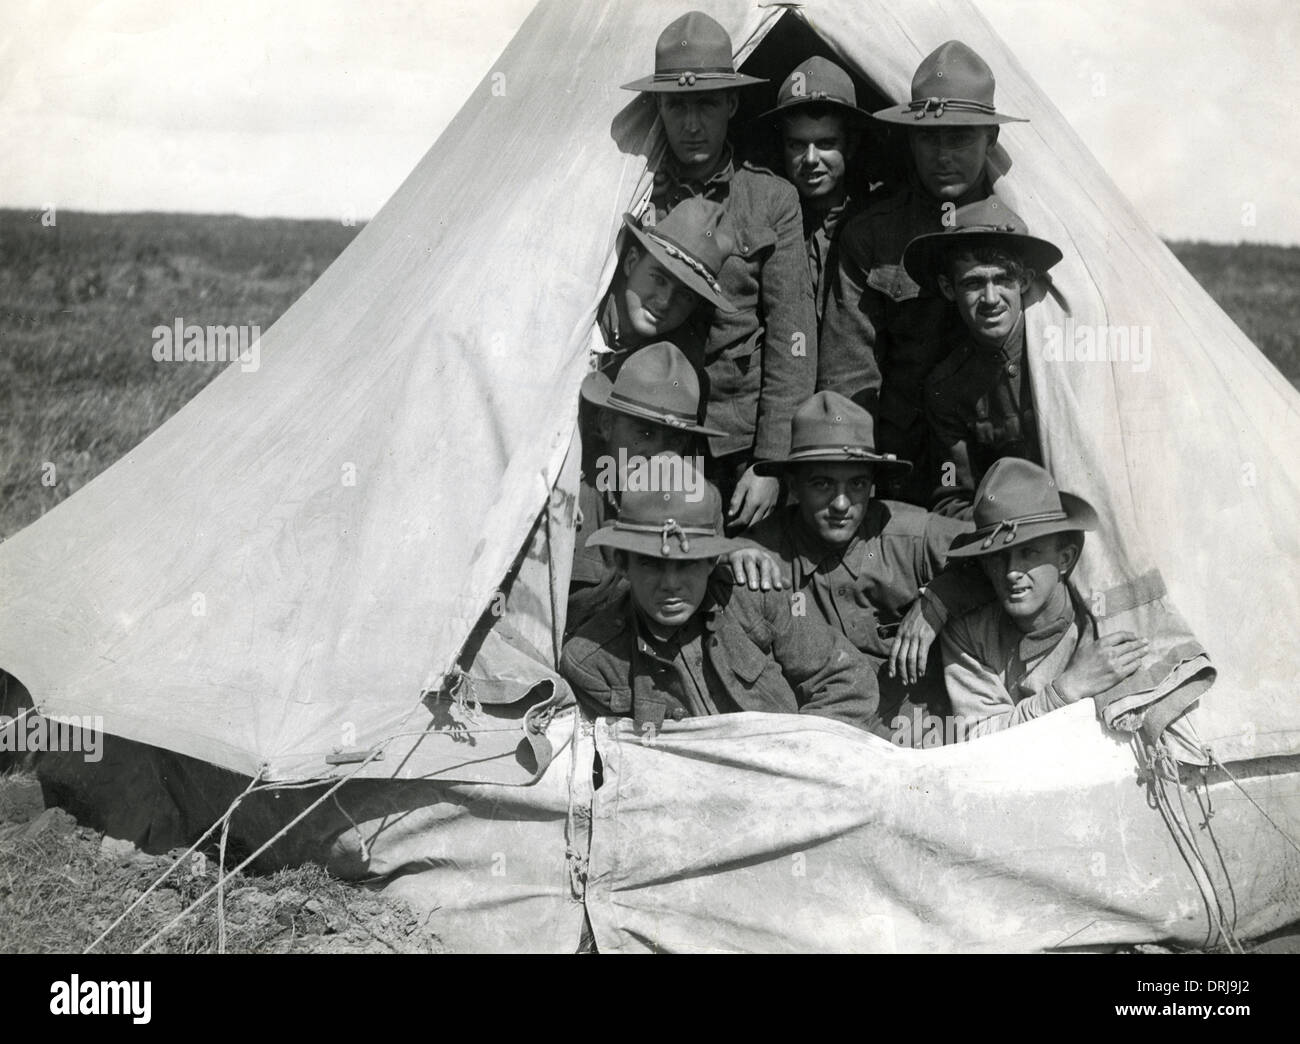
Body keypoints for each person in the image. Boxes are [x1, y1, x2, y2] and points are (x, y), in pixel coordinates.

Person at [622, 11, 818, 530]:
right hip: (652, 431)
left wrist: (771, 460)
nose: (691, 125)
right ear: (658, 107)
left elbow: (790, 336)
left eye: (706, 104)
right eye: (677, 106)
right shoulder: (636, 194)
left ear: (732, 102)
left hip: (736, 443)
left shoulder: (770, 198)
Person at [818, 41, 1026, 504]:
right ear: (909, 139)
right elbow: (850, 373)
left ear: (990, 137)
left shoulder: (1018, 230)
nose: (943, 154)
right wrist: (856, 473)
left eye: (959, 138)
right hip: (899, 465)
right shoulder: (873, 236)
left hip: (1003, 460)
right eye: (929, 138)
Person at [732, 391, 992, 742]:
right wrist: (729, 560)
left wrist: (939, 600)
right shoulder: (764, 549)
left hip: (921, 740)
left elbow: (1005, 553)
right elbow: (700, 570)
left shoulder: (910, 535)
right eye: (822, 484)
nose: (841, 503)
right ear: (793, 485)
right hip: (823, 742)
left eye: (856, 484)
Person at [561, 459, 881, 734]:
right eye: (651, 564)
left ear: (713, 561)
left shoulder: (754, 597)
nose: (671, 584)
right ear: (622, 563)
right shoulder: (594, 663)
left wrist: (793, 756)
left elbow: (848, 683)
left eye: (687, 564)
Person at [940, 457, 1149, 739]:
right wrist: (1066, 690)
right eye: (999, 557)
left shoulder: (1099, 622)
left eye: (1029, 553)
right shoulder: (970, 634)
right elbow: (979, 739)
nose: (1012, 572)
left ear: (1065, 559)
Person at [904, 195, 1063, 514]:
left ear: (1024, 281)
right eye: (974, 283)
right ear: (949, 289)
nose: (990, 298)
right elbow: (951, 495)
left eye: (1002, 280)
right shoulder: (946, 388)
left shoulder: (1064, 356)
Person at [569, 341, 724, 635]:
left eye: (675, 439)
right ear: (606, 424)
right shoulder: (570, 501)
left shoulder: (702, 501)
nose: (659, 453)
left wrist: (738, 559)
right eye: (646, 433)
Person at [752, 56, 873, 332]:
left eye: (825, 143)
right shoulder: (764, 222)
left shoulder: (874, 224)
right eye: (796, 144)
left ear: (850, 145)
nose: (810, 159)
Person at [595, 195, 735, 377]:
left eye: (685, 295)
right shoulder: (581, 310)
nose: (664, 302)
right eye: (659, 279)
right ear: (631, 261)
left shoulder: (675, 371)